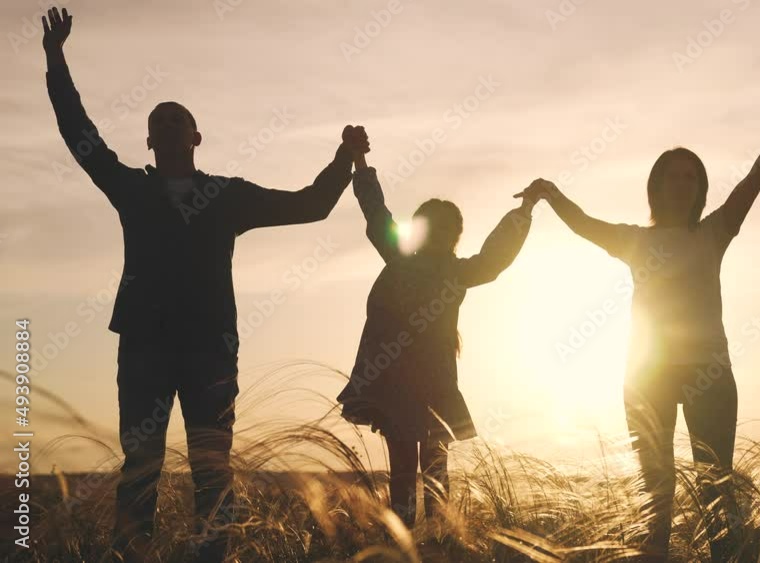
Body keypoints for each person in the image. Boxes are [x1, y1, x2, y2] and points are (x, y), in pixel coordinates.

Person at [41, 7, 369, 562]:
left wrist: (343, 159)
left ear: (196, 136)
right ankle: (132, 553)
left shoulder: (226, 196)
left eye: (178, 118)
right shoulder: (131, 190)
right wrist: (55, 59)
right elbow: (80, 134)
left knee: (213, 466)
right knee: (141, 463)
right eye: (159, 120)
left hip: (210, 348)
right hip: (144, 343)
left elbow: (309, 206)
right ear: (148, 141)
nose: (168, 124)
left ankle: (213, 555)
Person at [517, 88, 760, 561]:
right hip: (649, 375)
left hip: (711, 374)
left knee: (716, 493)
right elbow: (582, 222)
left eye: (692, 177)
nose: (683, 184)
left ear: (701, 189)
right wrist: (549, 191)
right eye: (673, 176)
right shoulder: (633, 241)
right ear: (656, 188)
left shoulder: (714, 232)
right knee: (656, 501)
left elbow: (754, 180)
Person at [337, 134, 539, 525]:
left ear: (453, 235)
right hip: (402, 379)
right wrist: (359, 163)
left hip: (427, 381)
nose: (442, 233)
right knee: (418, 469)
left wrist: (526, 208)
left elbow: (495, 256)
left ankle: (434, 539)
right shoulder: (412, 261)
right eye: (436, 226)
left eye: (449, 228)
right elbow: (376, 212)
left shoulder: (446, 269)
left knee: (430, 470)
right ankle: (417, 540)